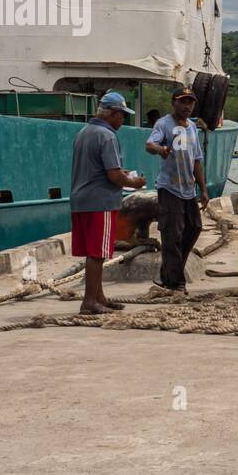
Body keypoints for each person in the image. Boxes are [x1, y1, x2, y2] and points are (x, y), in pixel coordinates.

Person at [70, 92, 146, 314]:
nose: (123, 120)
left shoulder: (84, 133)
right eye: (122, 115)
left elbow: (96, 167)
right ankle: (89, 302)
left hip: (81, 200)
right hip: (100, 201)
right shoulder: (108, 136)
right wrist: (134, 182)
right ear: (113, 114)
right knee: (97, 253)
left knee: (92, 252)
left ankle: (98, 297)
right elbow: (114, 175)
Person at [146, 85, 210, 292]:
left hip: (189, 189)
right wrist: (161, 149)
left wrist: (204, 189)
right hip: (169, 187)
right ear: (174, 102)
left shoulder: (191, 127)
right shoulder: (163, 124)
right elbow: (150, 144)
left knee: (194, 228)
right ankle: (175, 282)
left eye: (190, 102)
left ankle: (169, 273)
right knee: (172, 234)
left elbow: (197, 161)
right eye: (183, 101)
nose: (187, 106)